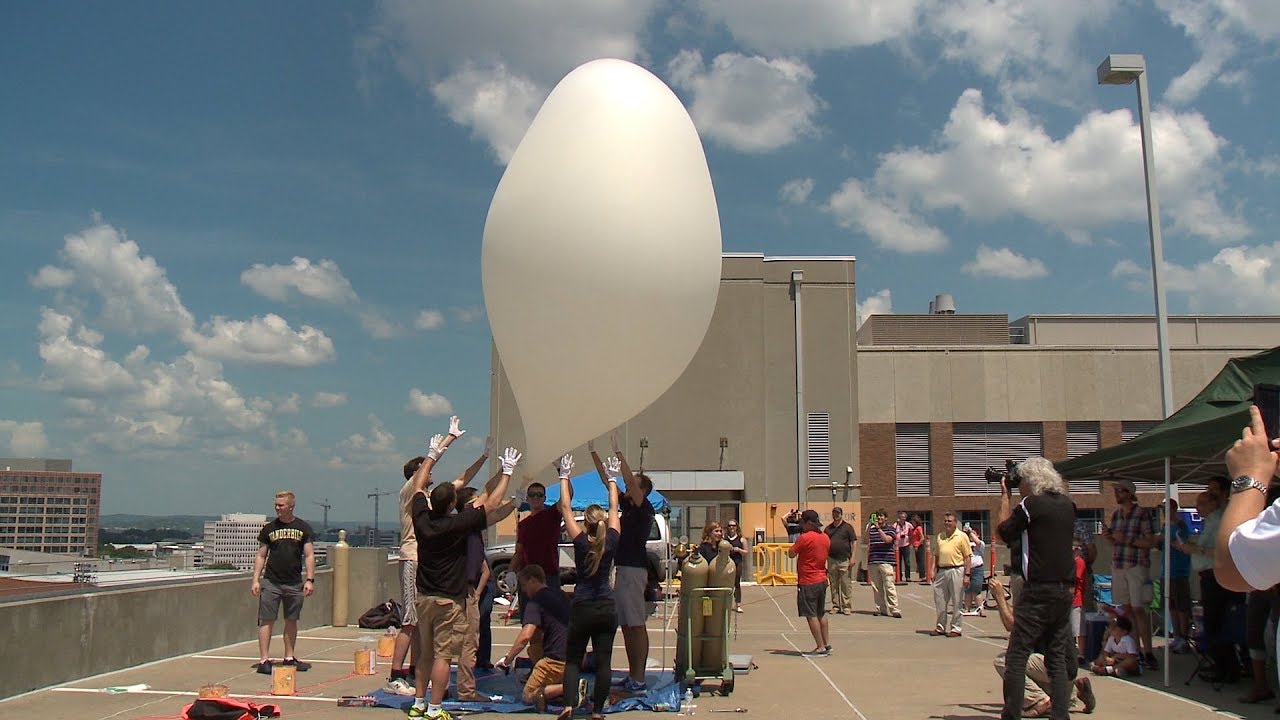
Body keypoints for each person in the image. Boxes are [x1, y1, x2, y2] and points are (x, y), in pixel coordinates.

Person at [409, 415, 519, 720]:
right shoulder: (456, 524)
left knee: (425, 656)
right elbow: (491, 505)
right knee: (444, 656)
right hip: (449, 599)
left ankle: (418, 704)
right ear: (451, 505)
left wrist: (433, 454)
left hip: (425, 596)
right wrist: (507, 473)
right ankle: (434, 708)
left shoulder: (422, 517)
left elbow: (419, 485)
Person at [389, 438, 492, 695]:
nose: (431, 475)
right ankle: (395, 674)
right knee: (410, 620)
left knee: (423, 632)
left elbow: (461, 480)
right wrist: (441, 446)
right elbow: (427, 478)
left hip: (422, 561)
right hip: (412, 557)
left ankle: (415, 673)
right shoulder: (411, 494)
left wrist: (484, 457)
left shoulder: (426, 501)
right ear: (418, 474)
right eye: (427, 471)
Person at [995, 457, 1077, 720]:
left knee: (1016, 656)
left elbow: (1003, 533)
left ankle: (1012, 715)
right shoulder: (1068, 504)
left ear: (1030, 481)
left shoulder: (1031, 505)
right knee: (1056, 656)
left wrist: (1005, 495)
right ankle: (1061, 715)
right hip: (1065, 590)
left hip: (1038, 589)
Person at [556, 453, 621, 720]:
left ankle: (569, 705)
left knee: (573, 659)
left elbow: (565, 509)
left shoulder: (581, 543)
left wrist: (564, 476)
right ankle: (597, 710)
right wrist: (613, 480)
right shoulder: (612, 540)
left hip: (582, 604)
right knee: (604, 661)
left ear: (587, 522)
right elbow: (615, 508)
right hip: (606, 605)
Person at [590, 437, 652, 694]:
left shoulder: (644, 507)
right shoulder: (628, 505)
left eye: (633, 486)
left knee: (636, 624)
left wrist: (618, 451)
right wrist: (593, 452)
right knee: (626, 625)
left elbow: (626, 481)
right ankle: (632, 674)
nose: (628, 488)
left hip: (633, 570)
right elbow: (609, 481)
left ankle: (639, 677)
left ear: (642, 490)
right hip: (624, 569)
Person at [989, 576, 1096, 718]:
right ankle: (1075, 692)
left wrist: (1000, 597)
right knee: (1056, 693)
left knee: (1005, 661)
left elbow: (1012, 625)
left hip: (1054, 665)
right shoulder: (1052, 601)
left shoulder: (1038, 605)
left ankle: (1040, 700)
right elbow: (1016, 616)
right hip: (1063, 668)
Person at [454, 485, 516, 702]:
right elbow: (490, 504)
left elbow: (496, 513)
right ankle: (466, 690)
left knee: (474, 633)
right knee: (468, 641)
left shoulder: (468, 523)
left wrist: (514, 504)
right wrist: (504, 475)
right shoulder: (465, 525)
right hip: (467, 589)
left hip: (468, 588)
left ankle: (462, 681)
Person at [495, 565, 584, 712]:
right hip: (573, 657)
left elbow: (526, 636)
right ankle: (562, 686)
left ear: (532, 580)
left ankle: (569, 686)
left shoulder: (536, 601)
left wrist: (507, 659)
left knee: (528, 695)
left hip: (555, 659)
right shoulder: (560, 595)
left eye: (523, 585)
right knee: (533, 650)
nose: (523, 591)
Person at [1178, 483, 1244, 682]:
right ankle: (1223, 666)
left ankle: (1227, 669)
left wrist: (1194, 549)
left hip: (1216, 576)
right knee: (1213, 623)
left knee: (1217, 623)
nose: (1198, 507)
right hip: (1208, 576)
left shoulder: (1218, 520)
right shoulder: (1209, 522)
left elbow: (1220, 551)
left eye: (1202, 503)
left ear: (1213, 503)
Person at [251, 490, 316, 675]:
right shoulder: (269, 529)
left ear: (290, 506)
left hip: (294, 582)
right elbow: (261, 555)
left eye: (281, 505)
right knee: (267, 620)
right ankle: (264, 659)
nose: (277, 508)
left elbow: (310, 555)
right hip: (271, 581)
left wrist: (309, 579)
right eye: (276, 505)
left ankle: (289, 657)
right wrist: (256, 579)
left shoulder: (303, 528)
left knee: (291, 620)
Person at [1099, 479, 1159, 669]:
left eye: (1120, 491)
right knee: (1127, 610)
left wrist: (1126, 539)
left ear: (1129, 493)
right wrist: (1110, 538)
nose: (1117, 494)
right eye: (1116, 491)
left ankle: (1148, 651)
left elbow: (1150, 542)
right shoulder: (1116, 515)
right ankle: (1135, 650)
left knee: (1139, 609)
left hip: (1136, 565)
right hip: (1119, 564)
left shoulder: (1141, 514)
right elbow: (1117, 542)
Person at [510, 477, 561, 625]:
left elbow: (566, 498)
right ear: (527, 498)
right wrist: (511, 571)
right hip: (528, 578)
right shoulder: (524, 524)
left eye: (539, 495)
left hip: (548, 577)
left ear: (545, 498)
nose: (536, 498)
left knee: (551, 622)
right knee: (530, 623)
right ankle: (534, 648)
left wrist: (562, 474)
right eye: (532, 495)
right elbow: (519, 552)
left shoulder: (552, 515)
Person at [788, 509, 832, 656]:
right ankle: (826, 643)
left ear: (808, 523)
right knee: (821, 613)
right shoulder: (825, 537)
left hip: (808, 580)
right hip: (821, 579)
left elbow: (791, 553)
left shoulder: (804, 538)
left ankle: (820, 647)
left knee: (811, 614)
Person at [1162, 498, 1193, 654]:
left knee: (1182, 607)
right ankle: (1176, 636)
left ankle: (1184, 637)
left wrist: (1170, 541)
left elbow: (1182, 545)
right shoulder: (1164, 527)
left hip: (1179, 571)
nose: (1164, 512)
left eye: (1166, 509)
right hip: (1166, 571)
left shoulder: (1181, 526)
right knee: (1171, 606)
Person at [931, 512, 969, 637]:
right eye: (945, 521)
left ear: (955, 522)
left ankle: (956, 628)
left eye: (950, 521)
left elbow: (967, 557)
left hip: (957, 570)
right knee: (940, 600)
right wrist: (933, 570)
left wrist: (967, 575)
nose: (947, 523)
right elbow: (936, 555)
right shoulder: (940, 536)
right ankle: (940, 627)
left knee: (957, 600)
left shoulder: (962, 536)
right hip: (941, 571)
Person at [865, 510, 901, 617]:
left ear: (886, 518)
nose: (879, 518)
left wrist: (879, 529)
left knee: (889, 585)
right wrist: (869, 527)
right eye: (877, 517)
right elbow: (865, 540)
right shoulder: (871, 530)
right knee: (876, 587)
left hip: (886, 561)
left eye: (881, 516)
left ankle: (894, 609)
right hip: (873, 561)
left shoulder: (891, 529)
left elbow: (887, 540)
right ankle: (881, 608)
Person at [824, 507, 857, 615]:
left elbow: (853, 543)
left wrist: (852, 557)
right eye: (834, 513)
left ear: (841, 514)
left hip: (844, 560)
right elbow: (824, 543)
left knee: (845, 584)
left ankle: (846, 606)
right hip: (832, 559)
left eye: (838, 513)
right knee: (834, 584)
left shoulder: (847, 527)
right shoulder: (828, 529)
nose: (836, 515)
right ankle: (836, 606)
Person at [724, 519, 749, 613]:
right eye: (730, 526)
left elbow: (746, 552)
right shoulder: (724, 539)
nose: (731, 527)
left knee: (736, 583)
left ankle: (738, 604)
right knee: (726, 584)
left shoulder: (741, 539)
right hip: (726, 564)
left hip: (737, 563)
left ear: (736, 527)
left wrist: (738, 550)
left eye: (733, 526)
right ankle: (726, 603)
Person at [962, 524, 987, 617]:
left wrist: (970, 531)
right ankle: (967, 609)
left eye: (974, 534)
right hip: (967, 569)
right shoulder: (966, 543)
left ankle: (980, 609)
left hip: (977, 569)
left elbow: (978, 542)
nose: (971, 536)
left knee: (976, 590)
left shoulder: (980, 544)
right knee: (967, 590)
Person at [894, 511, 915, 582]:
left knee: (907, 562)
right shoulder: (895, 525)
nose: (903, 519)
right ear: (899, 518)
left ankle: (908, 576)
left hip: (906, 545)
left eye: (904, 518)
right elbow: (892, 533)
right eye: (902, 517)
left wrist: (911, 542)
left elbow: (912, 533)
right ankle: (899, 576)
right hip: (898, 546)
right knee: (898, 562)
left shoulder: (908, 525)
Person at [910, 514, 927, 585]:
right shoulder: (914, 529)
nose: (912, 523)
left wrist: (917, 545)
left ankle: (923, 576)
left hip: (919, 546)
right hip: (915, 546)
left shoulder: (919, 528)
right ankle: (921, 575)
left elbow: (922, 538)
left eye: (913, 522)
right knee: (918, 561)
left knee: (921, 561)